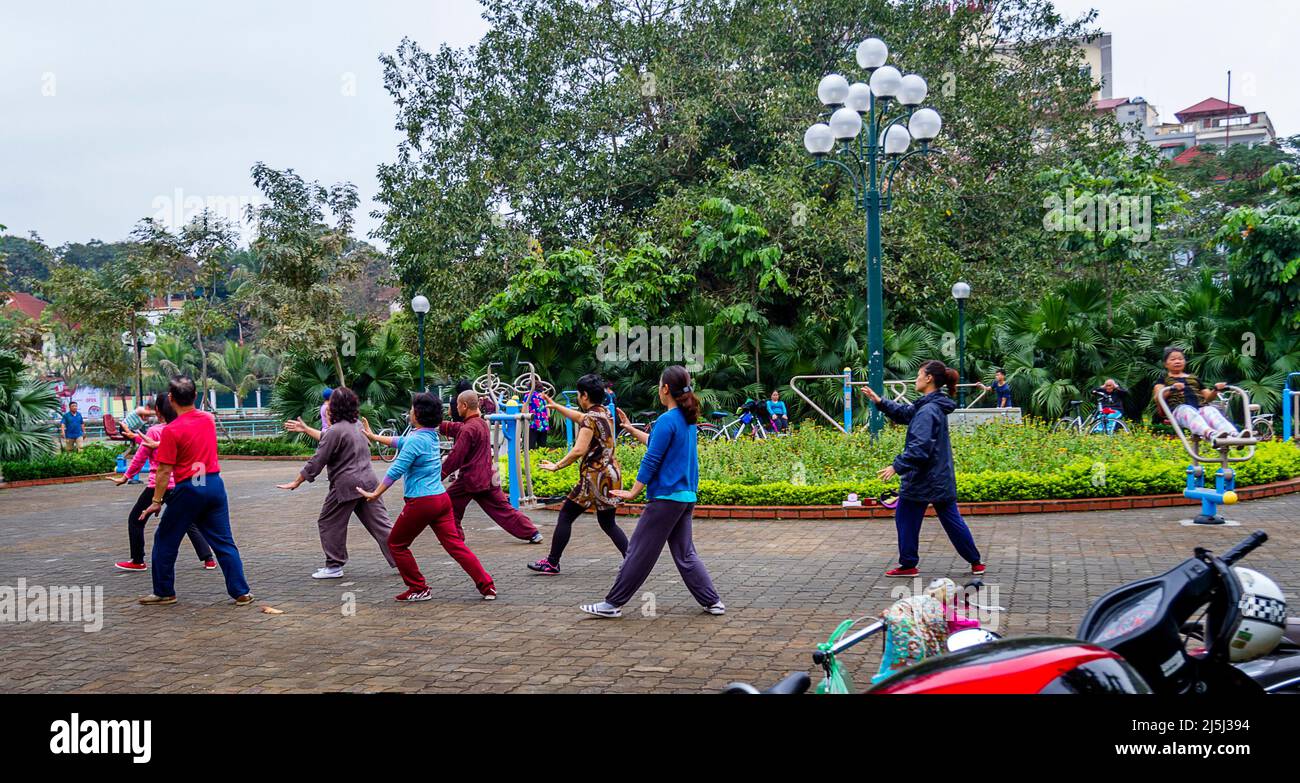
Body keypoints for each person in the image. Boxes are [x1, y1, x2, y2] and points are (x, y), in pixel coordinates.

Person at [580, 366, 724, 618]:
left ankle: (612, 604)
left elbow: (652, 458)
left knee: (639, 552)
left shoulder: (668, 420)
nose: (658, 389)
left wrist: (634, 491)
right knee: (685, 553)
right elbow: (657, 442)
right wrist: (631, 428)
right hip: (684, 497)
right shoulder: (686, 419)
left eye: (659, 385)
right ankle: (713, 601)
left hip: (665, 499)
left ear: (665, 389)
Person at [357, 392, 496, 602]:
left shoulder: (417, 440)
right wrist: (374, 437)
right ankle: (487, 586)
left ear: (418, 414)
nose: (410, 412)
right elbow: (401, 441)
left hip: (422, 502)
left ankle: (418, 587)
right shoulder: (430, 435)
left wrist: (376, 493)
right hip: (441, 500)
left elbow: (396, 470)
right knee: (456, 546)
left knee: (396, 544)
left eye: (412, 408)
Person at [136, 375, 253, 606]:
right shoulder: (208, 419)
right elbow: (192, 440)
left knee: (165, 539)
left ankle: (164, 592)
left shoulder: (171, 431)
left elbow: (163, 470)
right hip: (212, 484)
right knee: (224, 542)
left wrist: (157, 500)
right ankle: (241, 592)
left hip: (190, 488)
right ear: (196, 396)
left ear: (170, 398)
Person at [861, 360, 985, 579]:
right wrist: (880, 402)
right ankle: (975, 562)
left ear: (929, 378)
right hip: (939, 476)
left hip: (922, 478)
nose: (916, 378)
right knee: (951, 519)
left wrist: (896, 466)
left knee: (905, 517)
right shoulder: (931, 405)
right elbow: (905, 413)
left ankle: (908, 565)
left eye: (919, 374)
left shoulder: (928, 411)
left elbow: (919, 448)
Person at [385, 389, 543, 544]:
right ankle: (532, 532)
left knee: (450, 504)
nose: (456, 408)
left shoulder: (469, 428)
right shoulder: (480, 424)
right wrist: (435, 422)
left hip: (471, 479)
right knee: (503, 509)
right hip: (488, 476)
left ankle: (455, 538)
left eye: (458, 405)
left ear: (465, 406)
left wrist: (437, 476)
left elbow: (456, 457)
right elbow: (457, 429)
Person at [279, 387, 397, 579]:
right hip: (368, 482)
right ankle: (402, 560)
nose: (326, 406)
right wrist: (307, 429)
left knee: (329, 522)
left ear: (335, 407)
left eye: (329, 403)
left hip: (346, 485)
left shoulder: (336, 430)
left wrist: (297, 481)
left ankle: (334, 566)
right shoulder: (357, 425)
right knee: (381, 525)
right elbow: (331, 439)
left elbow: (318, 459)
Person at [527, 374, 628, 575]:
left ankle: (552, 562)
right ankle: (633, 560)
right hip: (611, 474)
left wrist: (557, 466)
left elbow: (579, 450)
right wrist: (556, 406)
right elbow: (581, 418)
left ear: (584, 396)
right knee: (608, 522)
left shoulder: (591, 418)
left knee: (565, 515)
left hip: (594, 477)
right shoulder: (604, 413)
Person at [110, 392, 214, 572]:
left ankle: (137, 560)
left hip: (158, 485)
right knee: (188, 520)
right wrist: (135, 437)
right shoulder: (183, 428)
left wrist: (125, 477)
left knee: (136, 520)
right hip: (180, 483)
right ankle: (208, 558)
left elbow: (140, 457)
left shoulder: (155, 430)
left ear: (158, 411)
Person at [1152, 347, 1240, 443]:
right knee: (1188, 411)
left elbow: (1208, 397)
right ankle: (1210, 434)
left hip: (1199, 407)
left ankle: (1233, 433)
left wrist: (1215, 390)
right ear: (1165, 363)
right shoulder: (1163, 379)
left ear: (1185, 361)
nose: (1177, 361)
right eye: (1173, 359)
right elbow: (1158, 397)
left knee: (1211, 410)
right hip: (1179, 409)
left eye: (1180, 359)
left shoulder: (1194, 378)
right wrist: (1171, 388)